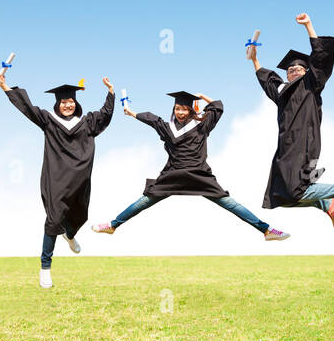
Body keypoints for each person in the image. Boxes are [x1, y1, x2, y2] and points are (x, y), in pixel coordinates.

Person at [92, 91, 289, 241]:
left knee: (230, 204)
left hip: (198, 175)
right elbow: (151, 119)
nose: (180, 112)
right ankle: (113, 225)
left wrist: (201, 96)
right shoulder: (167, 127)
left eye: (184, 109)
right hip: (173, 175)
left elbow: (217, 106)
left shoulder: (202, 124)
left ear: (190, 110)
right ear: (174, 110)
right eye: (178, 109)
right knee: (144, 201)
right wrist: (131, 112)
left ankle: (266, 230)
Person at [0, 68, 115, 288]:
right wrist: (6, 86)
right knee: (53, 220)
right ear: (57, 104)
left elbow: (105, 114)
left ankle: (70, 235)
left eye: (70, 101)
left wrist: (110, 93)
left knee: (80, 215)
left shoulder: (87, 122)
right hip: (56, 179)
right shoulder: (48, 120)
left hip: (80, 179)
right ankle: (45, 267)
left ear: (76, 103)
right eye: (63, 102)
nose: (67, 105)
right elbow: (27, 108)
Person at [250, 13, 334, 225]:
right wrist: (255, 59)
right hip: (285, 148)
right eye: (290, 70)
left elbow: (321, 58)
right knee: (280, 195)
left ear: (307, 70)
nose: (293, 71)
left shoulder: (311, 84)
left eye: (298, 68)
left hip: (305, 144)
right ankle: (327, 204)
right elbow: (268, 82)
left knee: (295, 190)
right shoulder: (282, 91)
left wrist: (309, 26)